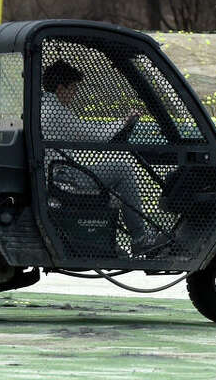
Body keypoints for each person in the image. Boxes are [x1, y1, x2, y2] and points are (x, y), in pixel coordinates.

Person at [39, 61, 164, 254]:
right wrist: (124, 122)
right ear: (60, 87)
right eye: (72, 89)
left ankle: (108, 241)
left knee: (111, 182)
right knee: (122, 169)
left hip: (57, 175)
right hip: (63, 179)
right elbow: (93, 135)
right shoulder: (54, 111)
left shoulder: (42, 105)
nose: (74, 94)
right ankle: (139, 238)